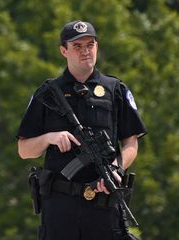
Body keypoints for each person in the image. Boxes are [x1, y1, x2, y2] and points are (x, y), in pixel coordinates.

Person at [17, 20, 147, 240]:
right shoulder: (48, 92)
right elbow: (24, 150)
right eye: (77, 46)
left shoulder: (115, 89)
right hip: (60, 204)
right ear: (63, 50)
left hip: (103, 202)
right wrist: (50, 138)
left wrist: (116, 171)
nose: (85, 51)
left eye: (90, 44)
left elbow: (131, 142)